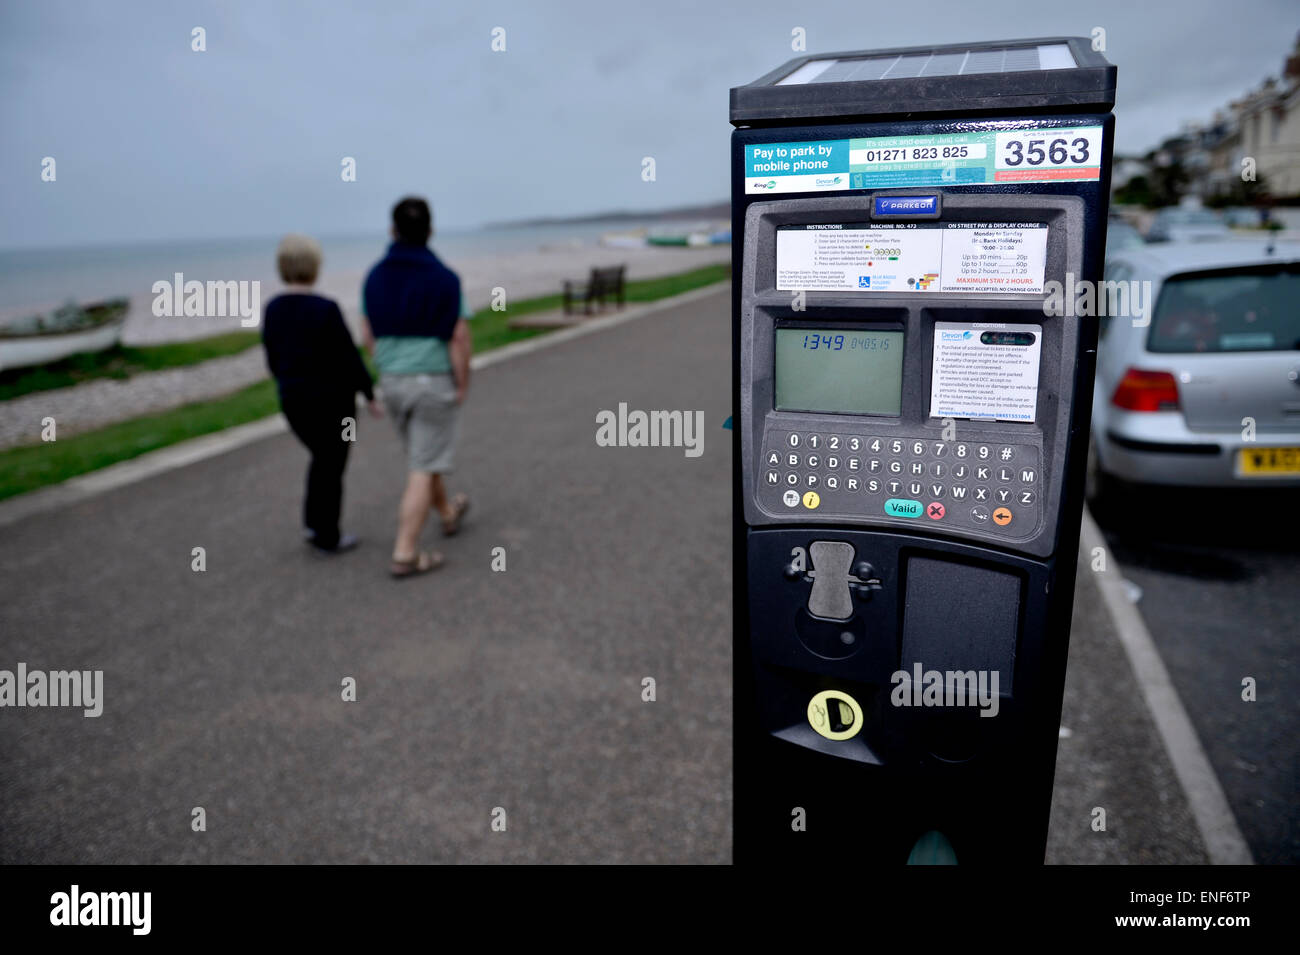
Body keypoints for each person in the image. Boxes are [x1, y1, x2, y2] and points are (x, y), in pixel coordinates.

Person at [361, 197, 472, 578]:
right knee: (423, 465)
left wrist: (388, 370)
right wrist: (462, 383)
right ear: (430, 230)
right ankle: (405, 552)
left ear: (392, 230)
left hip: (392, 382)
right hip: (430, 380)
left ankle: (447, 511)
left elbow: (368, 335)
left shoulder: (374, 277)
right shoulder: (445, 278)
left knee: (422, 456)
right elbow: (458, 337)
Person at [262, 234, 379, 554]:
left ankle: (314, 523)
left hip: (294, 402)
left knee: (320, 459)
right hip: (333, 404)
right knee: (332, 465)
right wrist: (369, 392)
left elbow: (273, 359)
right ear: (315, 267)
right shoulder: (325, 309)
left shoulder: (272, 309)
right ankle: (327, 534)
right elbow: (347, 357)